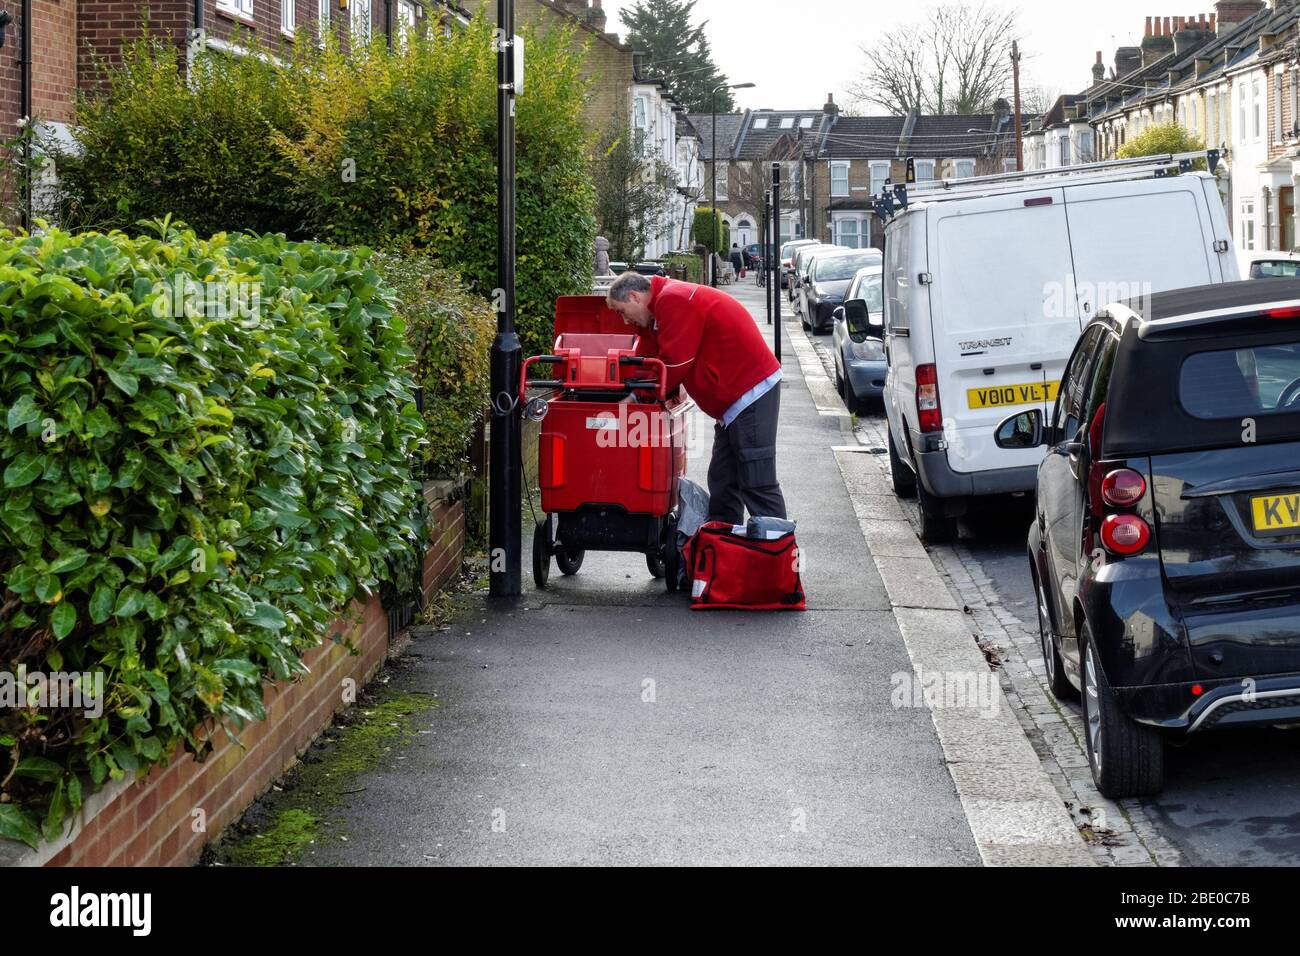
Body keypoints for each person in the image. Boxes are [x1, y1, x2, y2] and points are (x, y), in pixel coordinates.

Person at [605, 271, 786, 524]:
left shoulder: (673, 300)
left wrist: (636, 396)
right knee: (724, 480)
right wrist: (629, 388)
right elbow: (650, 358)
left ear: (634, 297)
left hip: (750, 390)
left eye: (622, 311)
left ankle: (776, 553)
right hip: (734, 399)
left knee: (757, 480)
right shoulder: (657, 310)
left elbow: (675, 362)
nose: (624, 321)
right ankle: (722, 548)